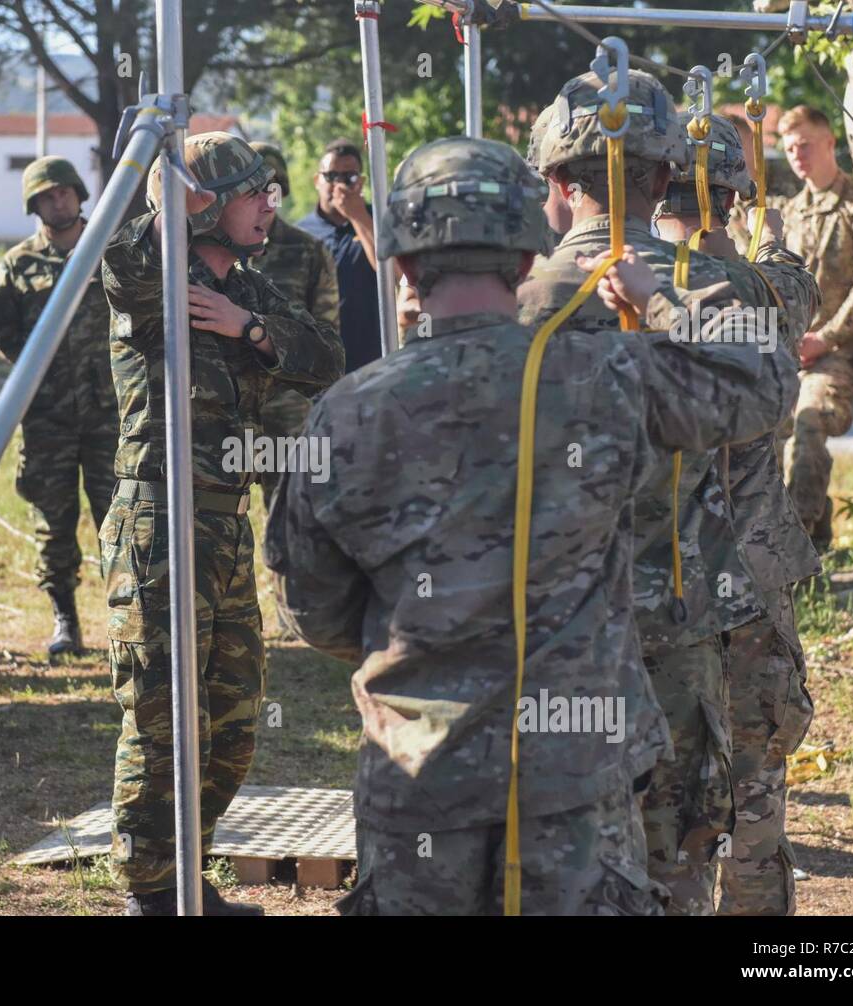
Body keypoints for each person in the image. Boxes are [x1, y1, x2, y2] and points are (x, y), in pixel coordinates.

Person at [265, 135, 800, 915]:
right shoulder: (603, 377)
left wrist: (420, 641)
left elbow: (309, 604)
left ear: (405, 266)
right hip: (573, 780)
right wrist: (660, 299)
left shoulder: (347, 410)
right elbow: (762, 378)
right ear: (525, 260)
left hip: (419, 771)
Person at [519, 69, 803, 914]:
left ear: (555, 183)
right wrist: (673, 305)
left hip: (549, 649)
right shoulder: (708, 294)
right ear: (663, 175)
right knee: (679, 863)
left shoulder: (507, 304)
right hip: (679, 641)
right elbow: (769, 380)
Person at [101, 131, 344, 915]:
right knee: (162, 715)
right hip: (159, 519)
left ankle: (186, 876)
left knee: (233, 717)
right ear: (203, 207)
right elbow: (119, 253)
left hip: (225, 522)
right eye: (252, 191)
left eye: (271, 189)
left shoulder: (247, 285)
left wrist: (250, 329)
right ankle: (152, 894)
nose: (270, 204)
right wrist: (161, 187)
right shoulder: (150, 281)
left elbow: (324, 354)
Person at [653, 112, 821, 915]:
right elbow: (797, 287)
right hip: (750, 569)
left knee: (674, 784)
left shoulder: (617, 278)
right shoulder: (761, 283)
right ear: (731, 194)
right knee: (756, 777)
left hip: (660, 576)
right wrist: (773, 237)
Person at [0, 157, 118, 660]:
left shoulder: (112, 249)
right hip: (48, 418)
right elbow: (6, 334)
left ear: (80, 195)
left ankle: (126, 616)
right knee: (53, 521)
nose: (57, 201)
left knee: (122, 517)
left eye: (65, 192)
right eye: (46, 196)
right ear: (33, 205)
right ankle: (65, 619)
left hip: (111, 414)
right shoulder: (18, 264)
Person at [777, 105, 853, 550]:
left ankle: (795, 549)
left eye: (804, 145)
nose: (797, 155)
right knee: (760, 430)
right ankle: (817, 537)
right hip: (790, 351)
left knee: (808, 420)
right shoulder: (790, 212)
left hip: (838, 353)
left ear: (829, 142)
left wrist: (824, 339)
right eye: (789, 148)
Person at [248, 142, 340, 503]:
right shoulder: (209, 251)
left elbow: (327, 343)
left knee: (292, 520)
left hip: (289, 414)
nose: (263, 200)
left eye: (271, 190)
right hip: (225, 413)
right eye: (251, 191)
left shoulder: (308, 252)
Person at [297, 138, 383, 371]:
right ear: (317, 180)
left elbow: (390, 272)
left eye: (349, 177)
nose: (339, 185)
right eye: (331, 176)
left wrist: (357, 215)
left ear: (361, 182)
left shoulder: (379, 223)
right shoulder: (300, 233)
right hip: (317, 365)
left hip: (370, 362)